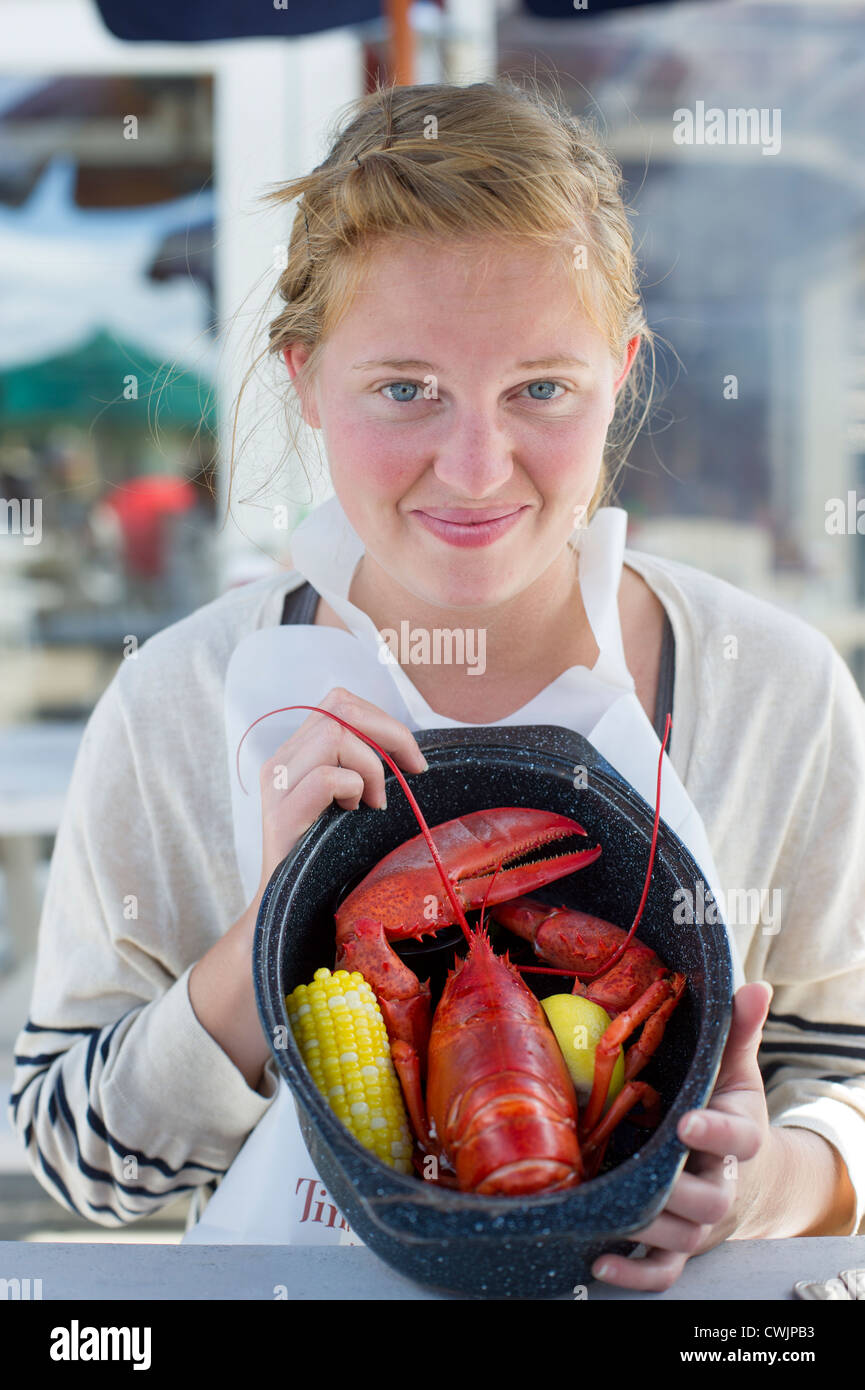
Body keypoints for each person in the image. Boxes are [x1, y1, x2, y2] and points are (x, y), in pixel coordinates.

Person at [10, 78, 864, 1293]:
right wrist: (259, 954)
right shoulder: (176, 703)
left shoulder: (775, 687)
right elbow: (79, 1167)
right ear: (305, 380)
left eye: (541, 389)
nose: (474, 468)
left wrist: (769, 1184)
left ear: (620, 372)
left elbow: (847, 1075)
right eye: (405, 388)